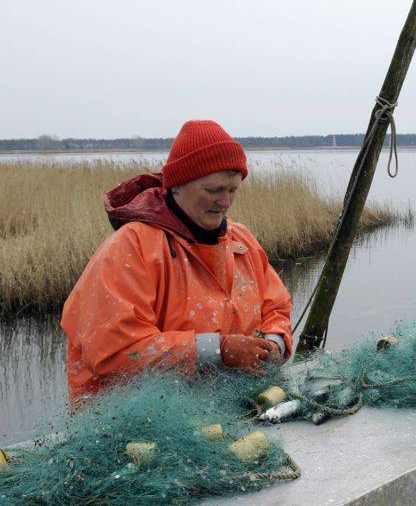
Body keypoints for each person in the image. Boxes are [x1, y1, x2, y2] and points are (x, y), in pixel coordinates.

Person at [61, 120, 293, 403]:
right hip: (134, 423)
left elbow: (276, 306)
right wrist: (219, 351)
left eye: (232, 190)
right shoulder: (132, 247)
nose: (225, 201)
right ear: (177, 186)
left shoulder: (241, 240)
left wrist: (274, 343)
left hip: (224, 408)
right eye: (214, 190)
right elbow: (114, 349)